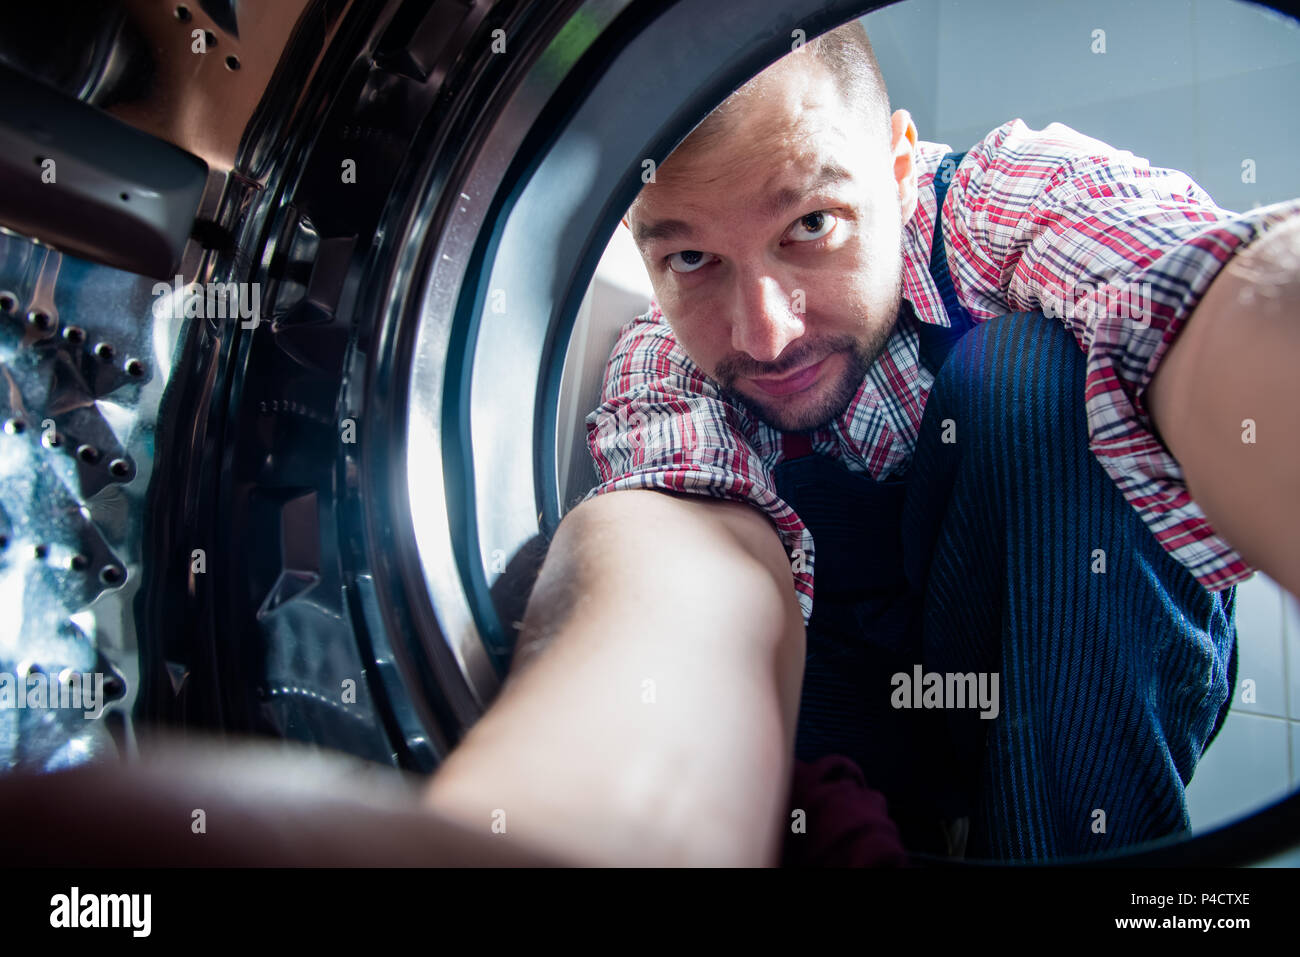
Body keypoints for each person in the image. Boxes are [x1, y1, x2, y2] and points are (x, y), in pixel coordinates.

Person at [423, 20, 1300, 865]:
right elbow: (672, 570)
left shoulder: (997, 201)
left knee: (1027, 374)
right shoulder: (666, 360)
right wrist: (551, 813)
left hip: (1076, 676)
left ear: (900, 168)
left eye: (811, 224)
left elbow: (1191, 293)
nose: (765, 335)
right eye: (691, 259)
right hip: (864, 729)